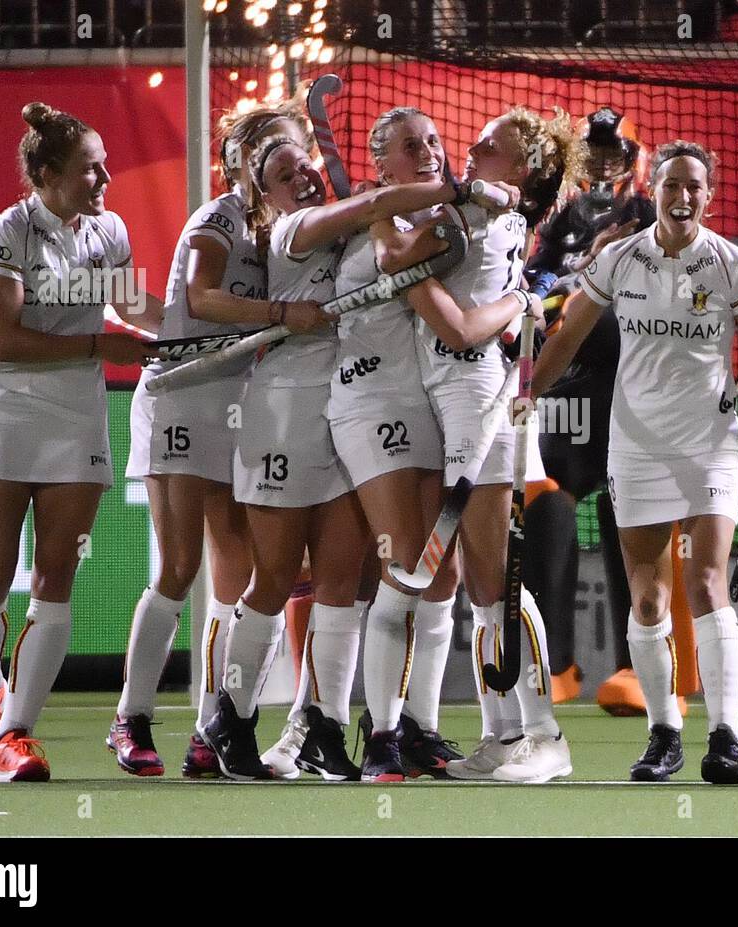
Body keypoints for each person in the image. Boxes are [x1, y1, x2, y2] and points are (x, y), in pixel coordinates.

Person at [198, 131, 480, 781]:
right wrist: (457, 188)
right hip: (285, 416)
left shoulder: (362, 235)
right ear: (266, 195)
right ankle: (230, 714)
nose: (303, 176)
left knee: (338, 584)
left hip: (345, 418)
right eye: (285, 172)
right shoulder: (297, 229)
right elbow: (375, 204)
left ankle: (324, 724)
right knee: (270, 581)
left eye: (307, 165)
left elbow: (407, 247)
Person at [532, 140, 738, 784]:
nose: (683, 196)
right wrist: (526, 394)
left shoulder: (732, 265)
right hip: (635, 446)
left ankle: (725, 736)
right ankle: (664, 735)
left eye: (695, 186)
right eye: (672, 184)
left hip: (708, 444)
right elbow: (567, 337)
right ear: (660, 191)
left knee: (706, 586)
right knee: (646, 598)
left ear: (710, 194)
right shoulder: (619, 259)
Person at [351, 106, 566, 783]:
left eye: (488, 145)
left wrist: (379, 207)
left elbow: (458, 324)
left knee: (494, 576)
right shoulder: (477, 211)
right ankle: (504, 735)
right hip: (454, 394)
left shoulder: (476, 217)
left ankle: (544, 735)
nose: (468, 148)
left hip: (476, 393)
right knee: (480, 580)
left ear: (520, 168)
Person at [109, 103, 318, 778]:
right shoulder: (218, 218)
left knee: (243, 577)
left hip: (238, 405)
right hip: (180, 393)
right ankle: (131, 718)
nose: (291, 162)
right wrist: (284, 314)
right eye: (275, 151)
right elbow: (199, 296)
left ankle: (212, 728)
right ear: (245, 162)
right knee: (179, 570)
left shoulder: (283, 231)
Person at [0, 102, 160, 782]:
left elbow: (135, 307)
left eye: (104, 165)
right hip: (9, 414)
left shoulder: (109, 231)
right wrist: (98, 343)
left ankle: (16, 734)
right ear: (45, 175)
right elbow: (9, 340)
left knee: (56, 578)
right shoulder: (4, 235)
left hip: (78, 421)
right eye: (88, 169)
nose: (104, 178)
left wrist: (201, 323)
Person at [524, 106, 654, 713]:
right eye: (594, 155)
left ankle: (639, 667)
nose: (603, 166)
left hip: (634, 388)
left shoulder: (652, 216)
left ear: (632, 162)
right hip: (569, 384)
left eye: (614, 156)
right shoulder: (559, 219)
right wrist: (574, 279)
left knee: (631, 514)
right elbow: (531, 287)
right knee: (549, 502)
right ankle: (556, 664)